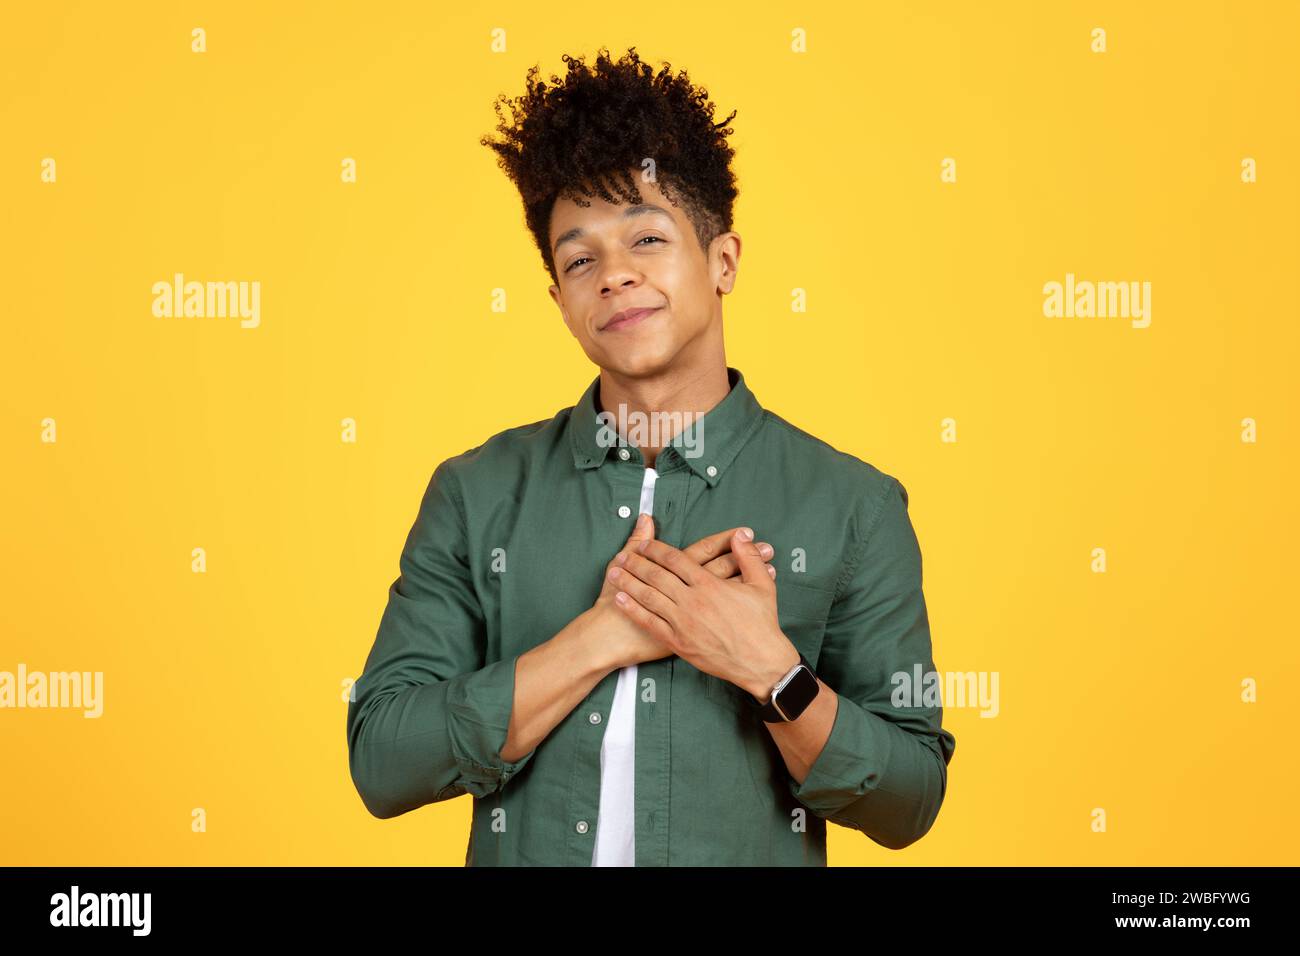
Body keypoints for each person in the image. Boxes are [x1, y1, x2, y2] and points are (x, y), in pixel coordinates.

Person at [345, 45, 956, 866]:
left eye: (647, 238)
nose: (615, 277)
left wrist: (770, 671)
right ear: (559, 299)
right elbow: (384, 759)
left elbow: (909, 801)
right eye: (580, 258)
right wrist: (601, 639)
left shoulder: (853, 505)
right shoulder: (475, 493)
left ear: (723, 261)